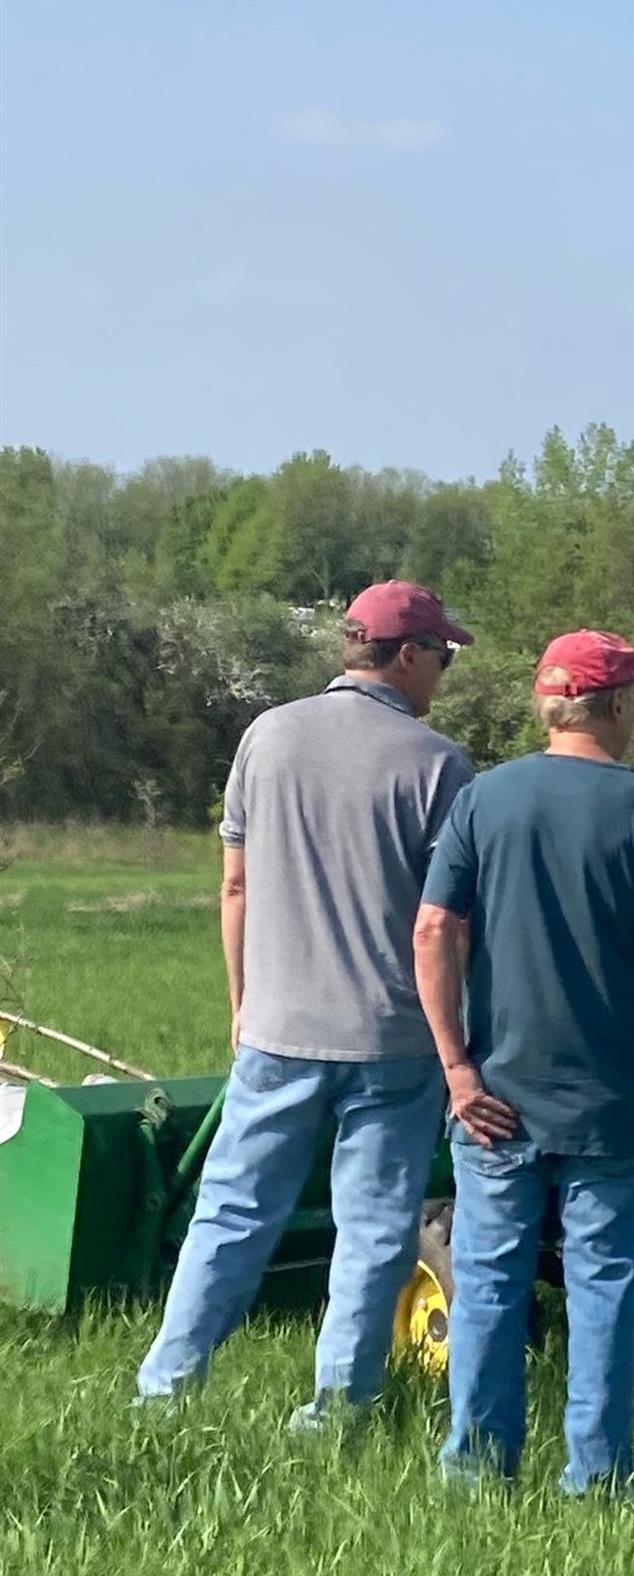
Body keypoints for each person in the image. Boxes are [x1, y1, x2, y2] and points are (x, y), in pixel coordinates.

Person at [135, 580, 512, 1419]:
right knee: (375, 1232)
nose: (442, 672)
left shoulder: (265, 736)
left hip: (277, 1027)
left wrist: (244, 1002)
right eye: (442, 655)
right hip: (394, 1042)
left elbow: (234, 883)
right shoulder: (436, 764)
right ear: (406, 654)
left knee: (230, 1213)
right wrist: (465, 1042)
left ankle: (165, 1392)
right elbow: (451, 923)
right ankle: (338, 1409)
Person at [413, 628, 634, 1493]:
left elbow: (436, 929)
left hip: (495, 1094)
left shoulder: (483, 800)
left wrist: (456, 1070)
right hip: (612, 1098)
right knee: (603, 1287)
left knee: (487, 1281)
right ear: (617, 705)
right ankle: (596, 1475)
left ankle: (477, 1470)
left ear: (548, 705)